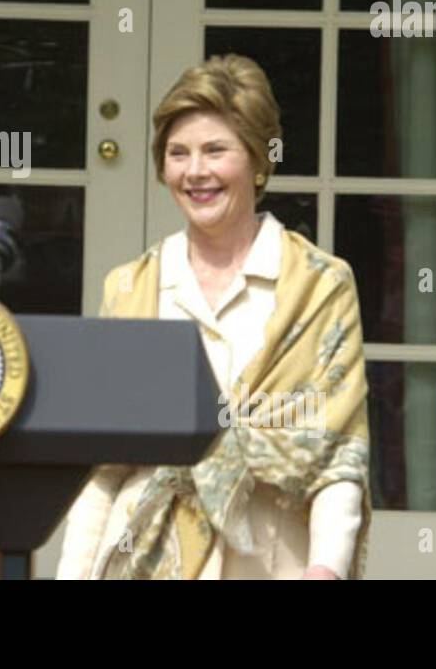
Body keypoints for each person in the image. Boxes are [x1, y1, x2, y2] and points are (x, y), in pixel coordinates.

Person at [56, 54, 371, 580]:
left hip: (273, 563)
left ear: (257, 159)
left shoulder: (320, 285)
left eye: (215, 151)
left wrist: (327, 569)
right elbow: (102, 465)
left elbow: (340, 454)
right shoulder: (130, 288)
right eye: (178, 154)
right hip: (144, 559)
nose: (194, 171)